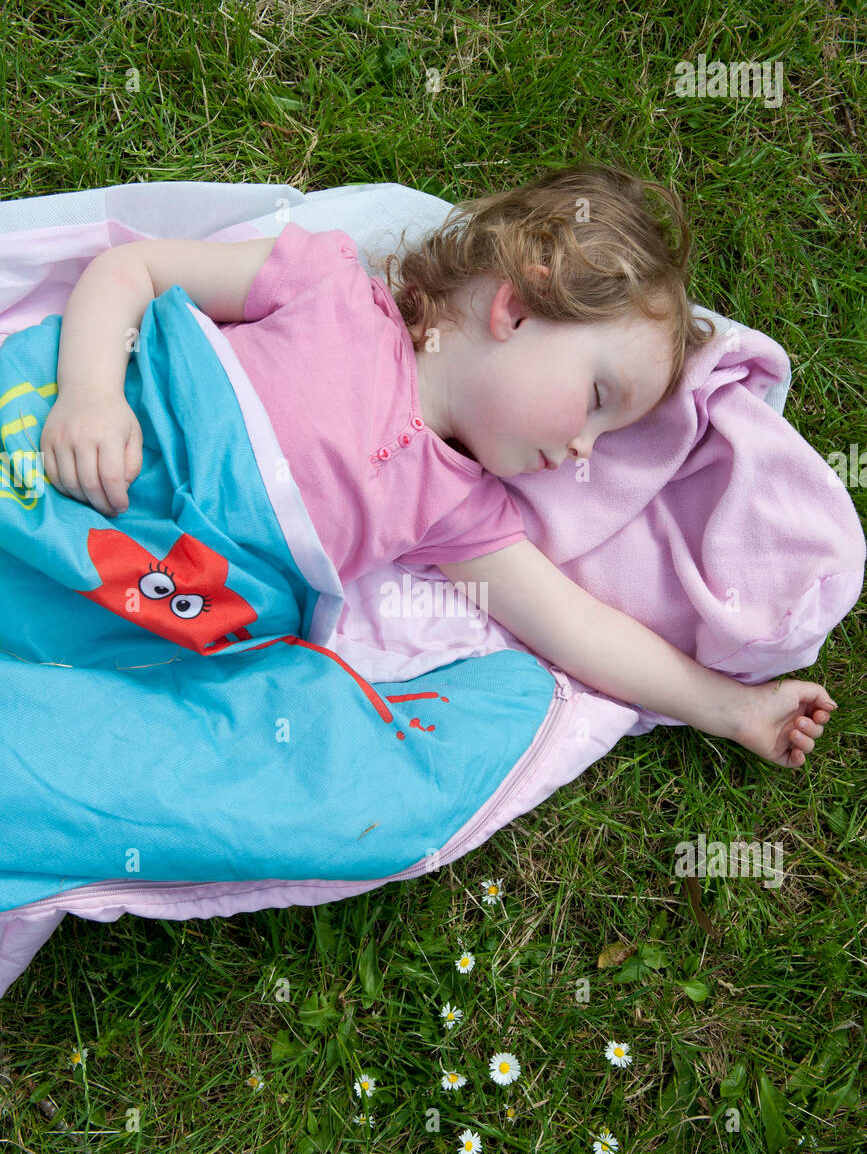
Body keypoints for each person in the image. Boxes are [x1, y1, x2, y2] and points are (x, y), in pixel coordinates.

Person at [41, 161, 837, 769]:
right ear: (517, 307)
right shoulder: (326, 288)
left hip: (131, 599)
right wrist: (90, 390)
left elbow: (579, 628)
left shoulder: (457, 508)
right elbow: (132, 272)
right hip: (82, 464)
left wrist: (734, 710)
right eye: (597, 397)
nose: (585, 452)